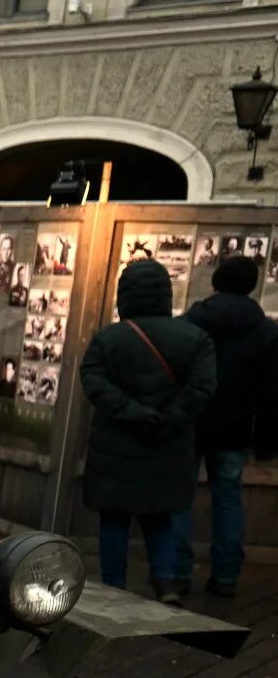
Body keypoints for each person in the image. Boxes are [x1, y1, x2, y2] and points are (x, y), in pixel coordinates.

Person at [81, 258, 216, 602]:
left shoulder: (108, 339)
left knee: (114, 518)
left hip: (116, 445)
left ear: (124, 294)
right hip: (168, 443)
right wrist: (168, 417)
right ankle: (165, 579)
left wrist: (135, 413)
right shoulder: (195, 338)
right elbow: (202, 387)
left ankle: (113, 583)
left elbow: (95, 383)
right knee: (160, 516)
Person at [175, 256, 278, 596]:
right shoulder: (265, 331)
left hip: (190, 421)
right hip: (235, 428)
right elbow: (270, 391)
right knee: (229, 500)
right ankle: (225, 576)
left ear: (216, 281)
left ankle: (176, 572)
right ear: (251, 286)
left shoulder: (192, 320)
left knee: (180, 497)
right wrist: (264, 440)